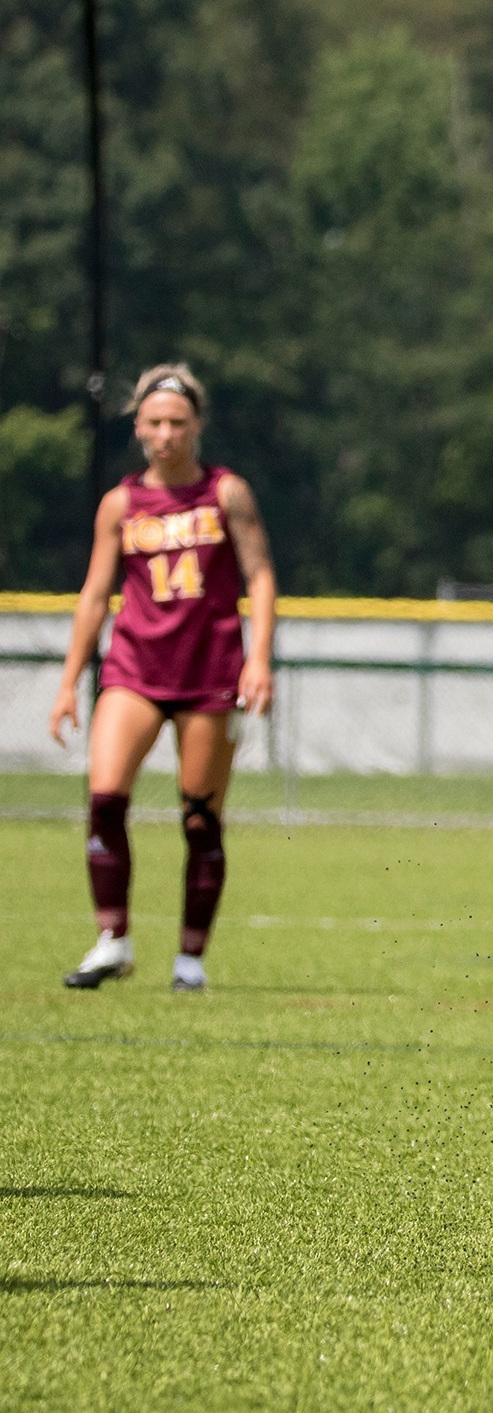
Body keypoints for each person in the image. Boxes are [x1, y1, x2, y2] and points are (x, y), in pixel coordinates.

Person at [49, 363, 277, 992]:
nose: (165, 434)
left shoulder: (226, 493)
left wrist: (259, 658)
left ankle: (190, 961)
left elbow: (258, 575)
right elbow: (96, 594)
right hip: (135, 669)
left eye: (177, 422)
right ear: (138, 426)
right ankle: (112, 941)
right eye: (153, 422)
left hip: (210, 671)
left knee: (200, 818)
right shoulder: (120, 504)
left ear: (196, 426)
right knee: (104, 800)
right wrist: (70, 680)